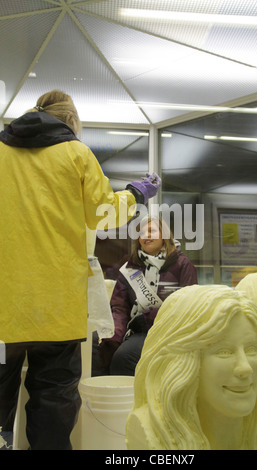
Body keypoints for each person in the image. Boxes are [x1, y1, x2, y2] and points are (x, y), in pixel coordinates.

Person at [0, 89, 161, 450]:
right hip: (57, 308)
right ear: (71, 121)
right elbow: (103, 214)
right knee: (54, 400)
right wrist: (135, 193)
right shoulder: (76, 154)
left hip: (3, 310)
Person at [126, 284, 257, 450]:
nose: (245, 368)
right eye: (224, 352)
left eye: (252, 349)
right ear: (185, 363)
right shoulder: (153, 438)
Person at [94, 216, 198, 376]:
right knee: (98, 352)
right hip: (138, 331)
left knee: (125, 358)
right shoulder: (130, 268)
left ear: (164, 235)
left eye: (152, 231)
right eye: (142, 232)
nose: (146, 236)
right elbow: (120, 309)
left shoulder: (182, 264)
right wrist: (112, 339)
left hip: (171, 329)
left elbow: (188, 303)